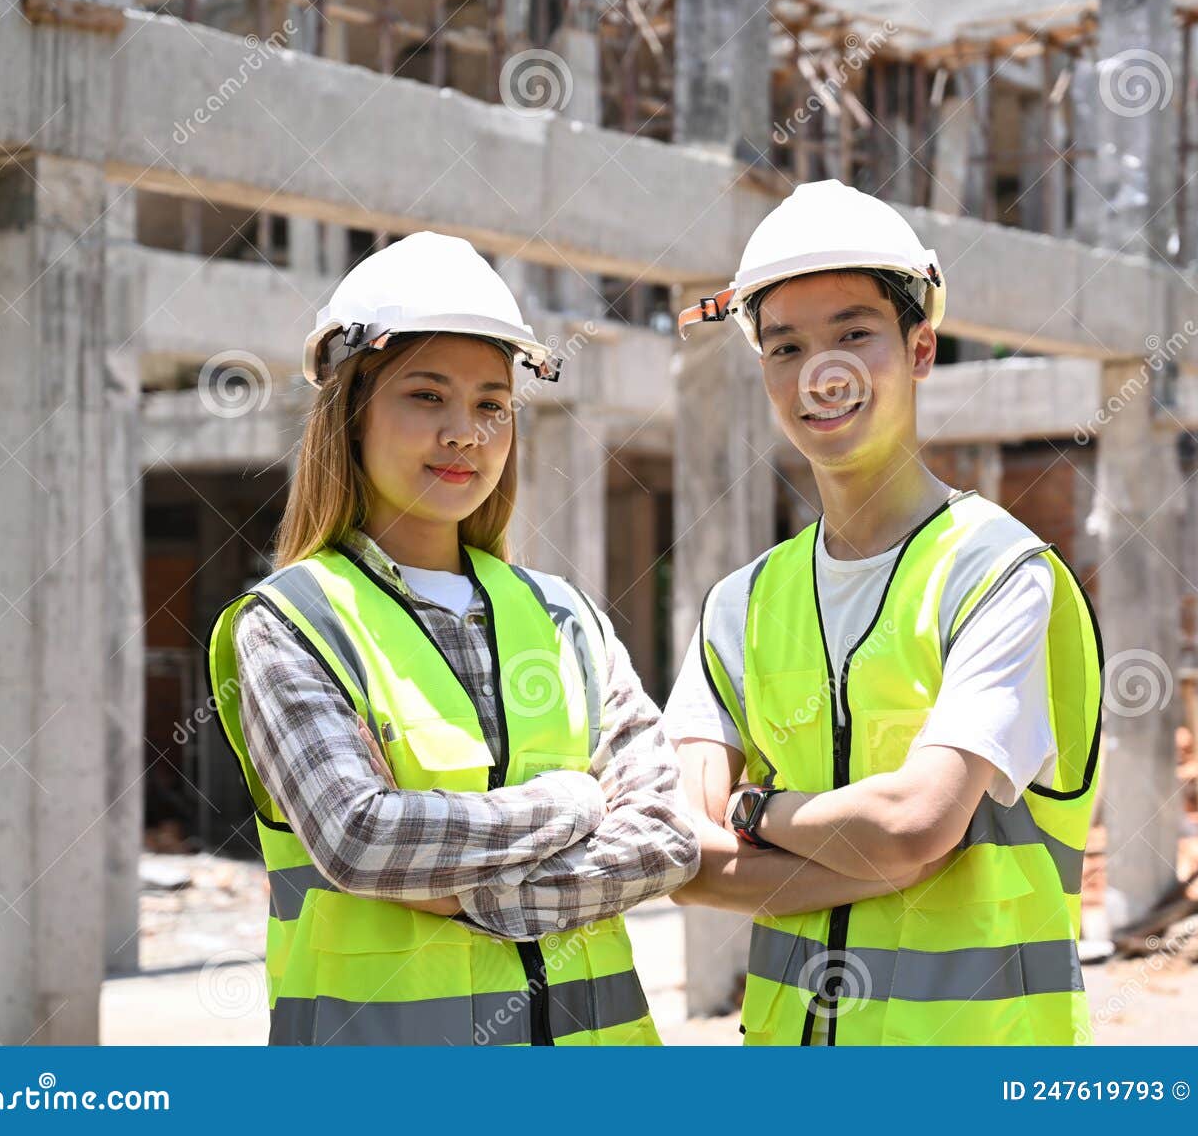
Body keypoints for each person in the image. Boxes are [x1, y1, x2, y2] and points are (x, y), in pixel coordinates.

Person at [207, 232, 698, 1046]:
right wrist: (574, 801)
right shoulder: (293, 623)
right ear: (350, 414)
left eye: (490, 403)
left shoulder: (567, 616)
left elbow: (668, 837)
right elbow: (362, 837)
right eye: (426, 396)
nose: (465, 432)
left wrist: (473, 895)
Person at [667, 180, 1103, 1045]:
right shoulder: (739, 606)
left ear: (921, 349)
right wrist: (885, 854)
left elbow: (914, 822)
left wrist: (757, 813)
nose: (819, 372)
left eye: (853, 335)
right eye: (785, 346)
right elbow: (687, 859)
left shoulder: (996, 568)